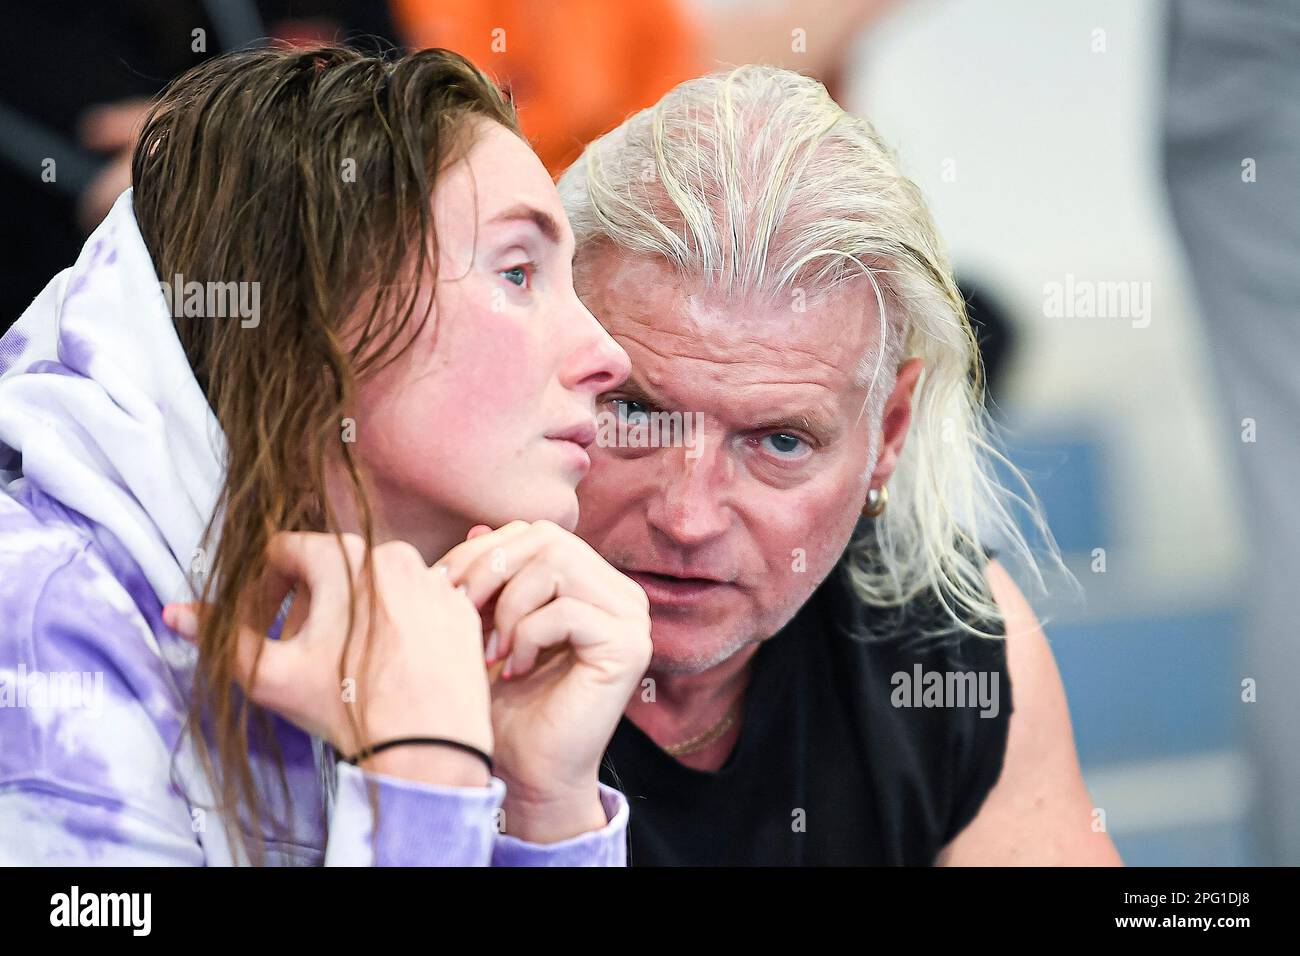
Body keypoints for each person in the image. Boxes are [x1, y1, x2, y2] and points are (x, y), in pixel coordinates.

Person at [0, 46, 650, 865]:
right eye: (518, 271)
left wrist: (543, 808)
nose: (608, 356)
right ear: (299, 312)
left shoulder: (394, 628)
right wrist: (424, 776)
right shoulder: (31, 627)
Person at [557, 65, 1123, 864]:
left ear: (889, 434)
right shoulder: (429, 630)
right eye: (636, 414)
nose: (688, 517)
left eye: (780, 442)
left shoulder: (940, 642)